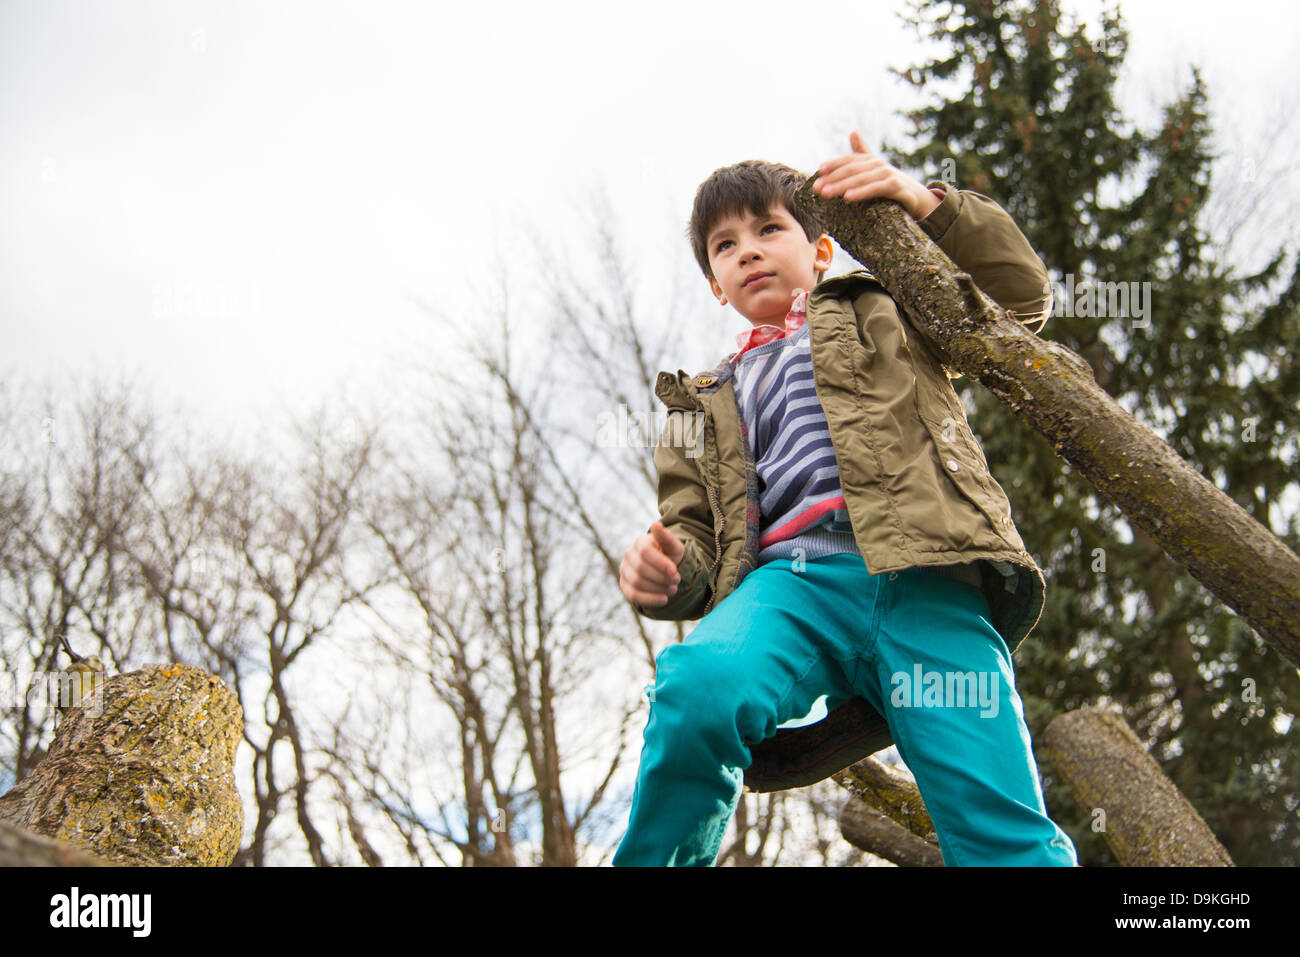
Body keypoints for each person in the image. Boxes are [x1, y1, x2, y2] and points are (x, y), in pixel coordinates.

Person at [613, 132, 1079, 867]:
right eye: (725, 245)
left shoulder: (886, 307)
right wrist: (666, 575)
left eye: (770, 228)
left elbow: (1019, 299)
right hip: (789, 593)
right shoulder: (700, 404)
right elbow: (694, 538)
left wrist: (920, 201)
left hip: (927, 575)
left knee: (997, 816)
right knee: (696, 688)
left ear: (822, 249)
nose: (749, 250)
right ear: (714, 281)